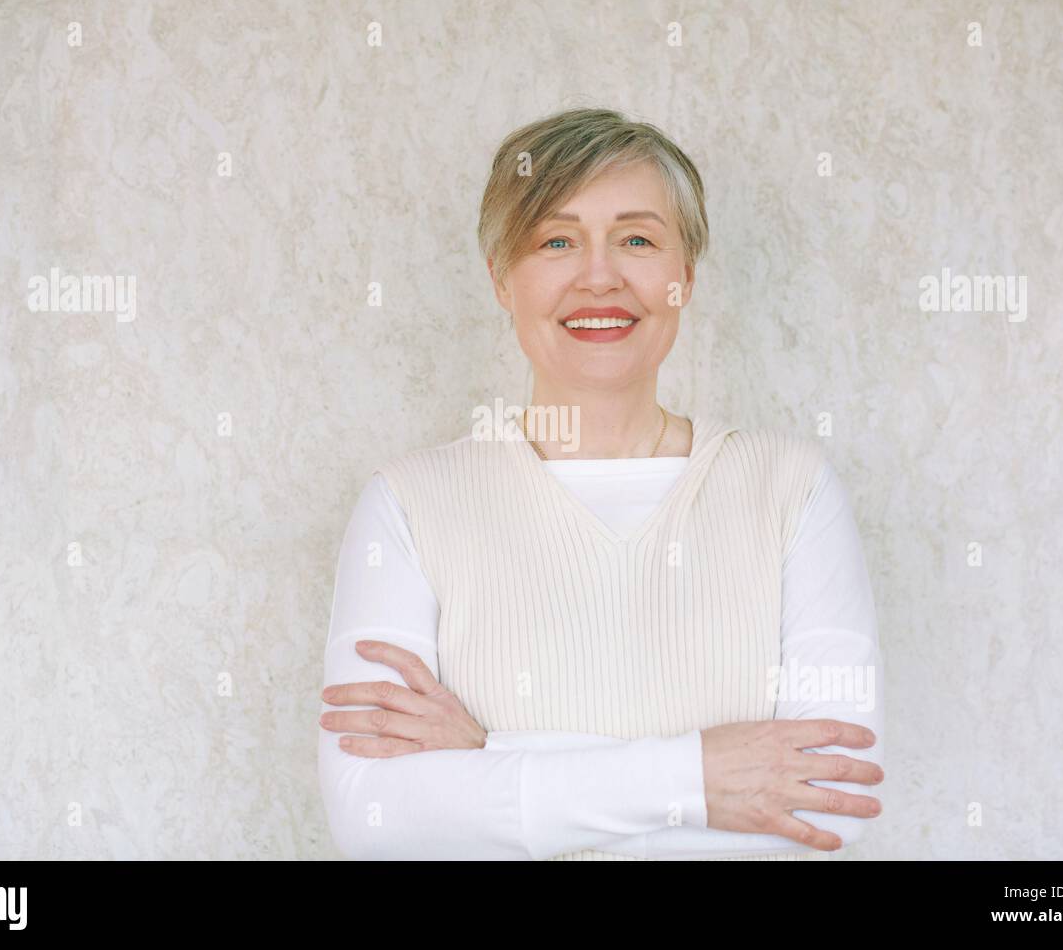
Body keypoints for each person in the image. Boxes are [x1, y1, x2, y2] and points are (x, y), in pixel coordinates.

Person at [317, 107, 885, 860]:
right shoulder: (408, 505)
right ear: (500, 279)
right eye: (556, 241)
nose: (599, 276)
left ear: (683, 276)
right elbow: (378, 821)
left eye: (638, 240)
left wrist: (489, 758)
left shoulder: (793, 492)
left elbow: (831, 805)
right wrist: (705, 776)